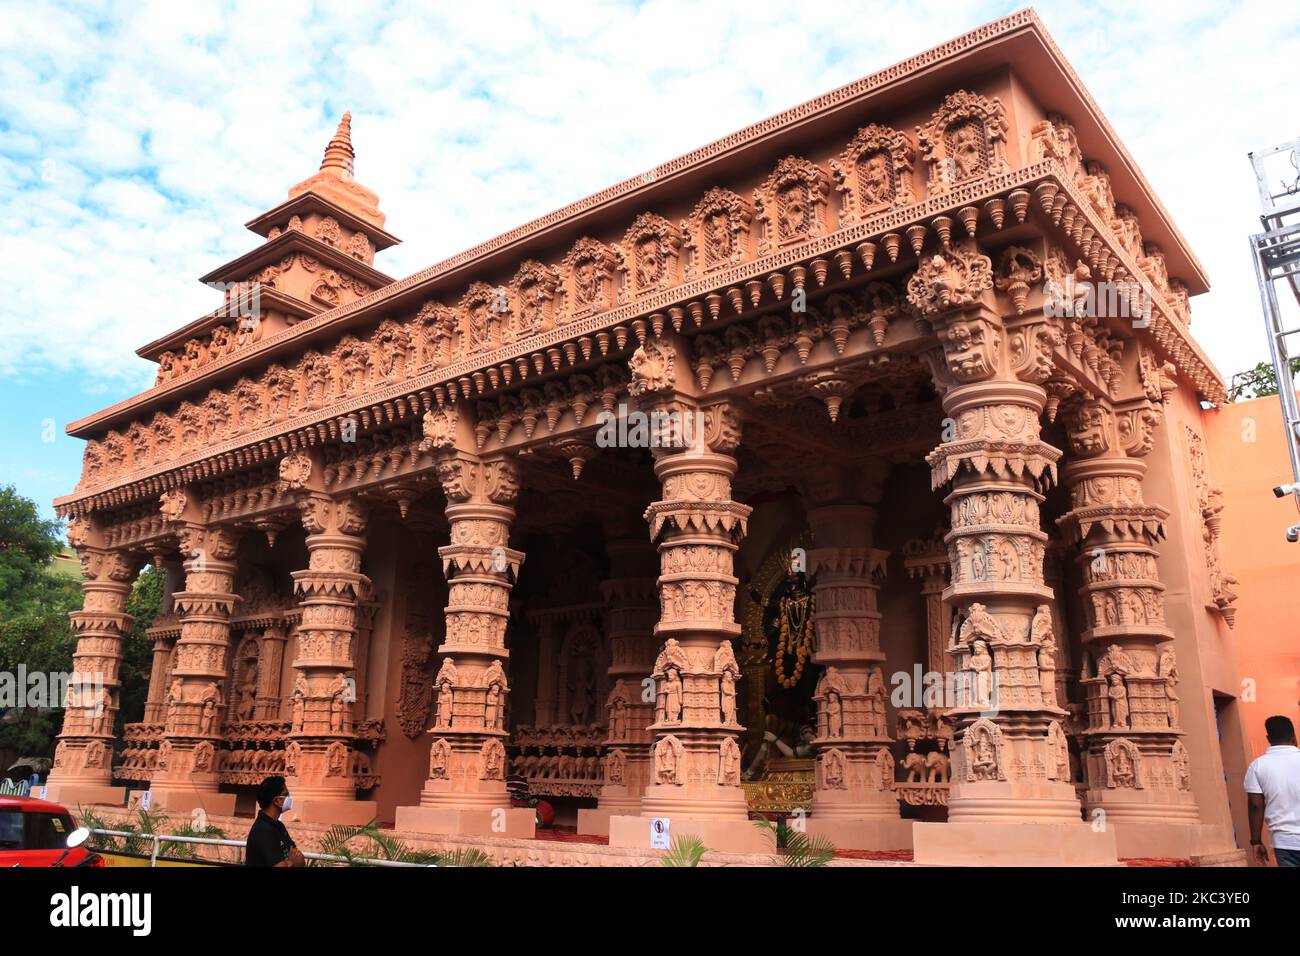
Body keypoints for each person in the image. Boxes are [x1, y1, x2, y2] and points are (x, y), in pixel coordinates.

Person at [1244, 715, 1300, 867]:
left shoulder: (1257, 766)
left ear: (1268, 738)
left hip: (1285, 843)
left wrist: (1255, 841)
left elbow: (1255, 806)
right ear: (1293, 736)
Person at [245, 775, 306, 867]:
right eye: (286, 794)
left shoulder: (279, 826)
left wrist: (289, 863)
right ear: (277, 801)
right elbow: (287, 864)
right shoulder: (263, 829)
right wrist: (293, 862)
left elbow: (300, 859)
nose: (289, 798)